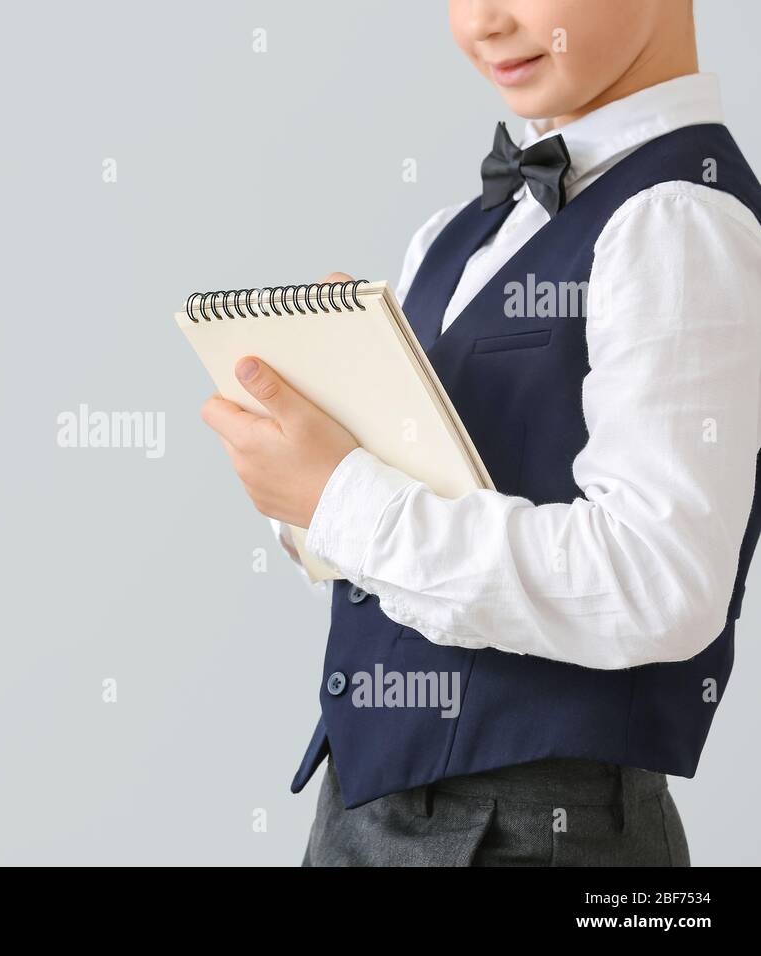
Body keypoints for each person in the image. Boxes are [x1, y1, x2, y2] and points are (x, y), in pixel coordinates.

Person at [201, 0, 761, 865]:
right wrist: (317, 473)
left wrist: (344, 497)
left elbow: (663, 582)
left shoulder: (679, 219)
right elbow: (400, 549)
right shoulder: (459, 233)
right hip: (366, 803)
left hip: (532, 830)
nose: (483, 23)